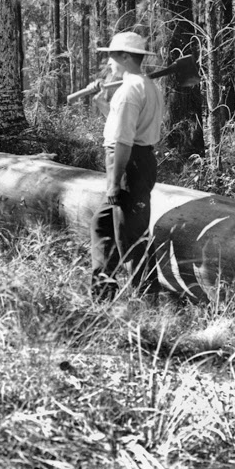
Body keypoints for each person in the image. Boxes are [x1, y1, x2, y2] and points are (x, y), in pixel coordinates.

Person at [89, 31, 165, 301]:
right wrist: (101, 103)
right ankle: (102, 295)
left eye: (111, 56)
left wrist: (114, 182)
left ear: (124, 57)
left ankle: (148, 300)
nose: (108, 62)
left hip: (128, 165)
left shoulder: (129, 91)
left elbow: (123, 141)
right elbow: (122, 128)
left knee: (132, 236)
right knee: (102, 225)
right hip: (138, 161)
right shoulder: (147, 86)